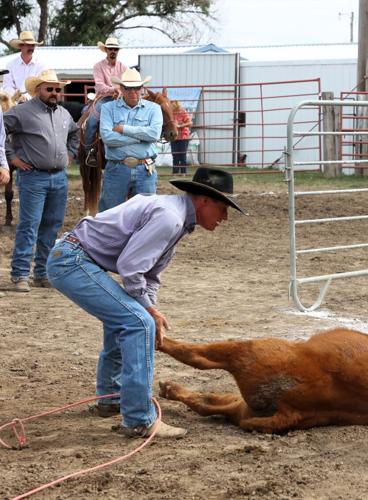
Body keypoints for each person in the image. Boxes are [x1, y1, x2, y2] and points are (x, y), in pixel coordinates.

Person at [46, 167, 246, 438]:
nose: (224, 217)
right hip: (73, 260)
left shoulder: (176, 218)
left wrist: (149, 306)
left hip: (75, 258)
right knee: (138, 324)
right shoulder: (169, 218)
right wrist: (147, 311)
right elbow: (130, 267)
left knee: (131, 318)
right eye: (223, 208)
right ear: (204, 200)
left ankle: (112, 398)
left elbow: (149, 276)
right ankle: (139, 419)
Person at [0, 70, 78, 293]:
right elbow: (0, 130)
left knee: (51, 226)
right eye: (49, 89)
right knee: (29, 226)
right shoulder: (22, 112)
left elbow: (74, 134)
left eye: (57, 89)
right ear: (38, 90)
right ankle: (20, 274)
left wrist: (70, 154)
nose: (54, 93)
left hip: (59, 177)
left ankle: (41, 273)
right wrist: (11, 157)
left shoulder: (64, 114)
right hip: (33, 177)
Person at [97, 68, 163, 212]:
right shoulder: (107, 108)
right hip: (117, 168)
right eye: (128, 88)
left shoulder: (155, 108)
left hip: (145, 169)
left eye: (137, 88)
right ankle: (89, 150)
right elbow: (107, 138)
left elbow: (154, 135)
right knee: (109, 214)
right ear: (121, 88)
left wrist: (123, 129)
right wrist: (140, 139)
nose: (133, 91)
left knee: (145, 214)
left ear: (142, 88)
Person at [84, 37, 129, 163]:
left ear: (118, 51)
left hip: (120, 99)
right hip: (104, 99)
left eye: (115, 49)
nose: (113, 51)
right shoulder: (98, 66)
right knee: (92, 120)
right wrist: (113, 90)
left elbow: (127, 84)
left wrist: (122, 91)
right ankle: (90, 151)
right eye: (110, 49)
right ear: (106, 50)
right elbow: (99, 85)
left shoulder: (124, 68)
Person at [2, 31, 46, 100]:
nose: (31, 48)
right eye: (28, 45)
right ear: (20, 46)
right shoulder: (10, 65)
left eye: (33, 45)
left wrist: (26, 97)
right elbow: (7, 86)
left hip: (34, 103)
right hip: (14, 102)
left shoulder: (41, 66)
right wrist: (17, 96)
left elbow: (40, 86)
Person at [170, 100, 193, 175]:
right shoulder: (170, 113)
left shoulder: (182, 112)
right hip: (174, 136)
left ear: (176, 105)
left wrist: (180, 126)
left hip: (183, 137)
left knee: (182, 155)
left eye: (172, 104)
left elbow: (190, 123)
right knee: (175, 155)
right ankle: (175, 172)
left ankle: (183, 172)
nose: (171, 106)